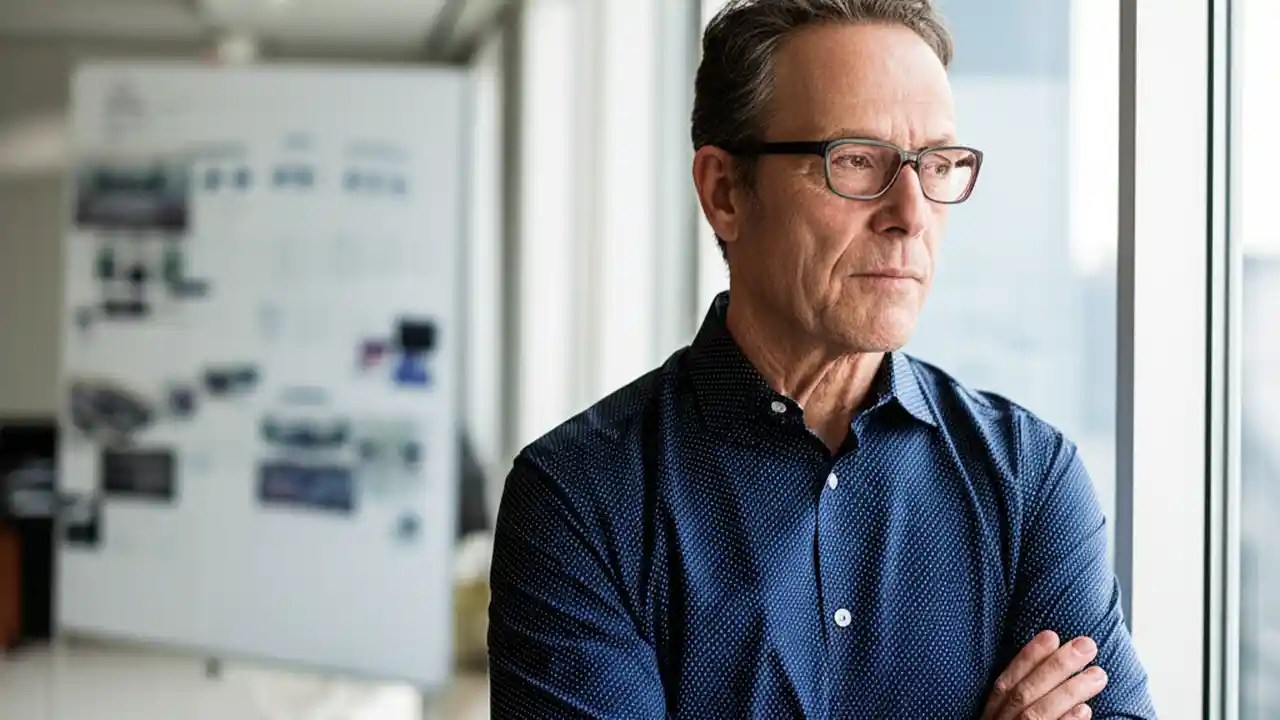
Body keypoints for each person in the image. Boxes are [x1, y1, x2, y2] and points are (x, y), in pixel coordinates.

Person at [488, 1, 1156, 717]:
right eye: (858, 161)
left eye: (937, 164)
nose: (911, 212)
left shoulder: (1027, 477)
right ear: (724, 193)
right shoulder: (580, 498)